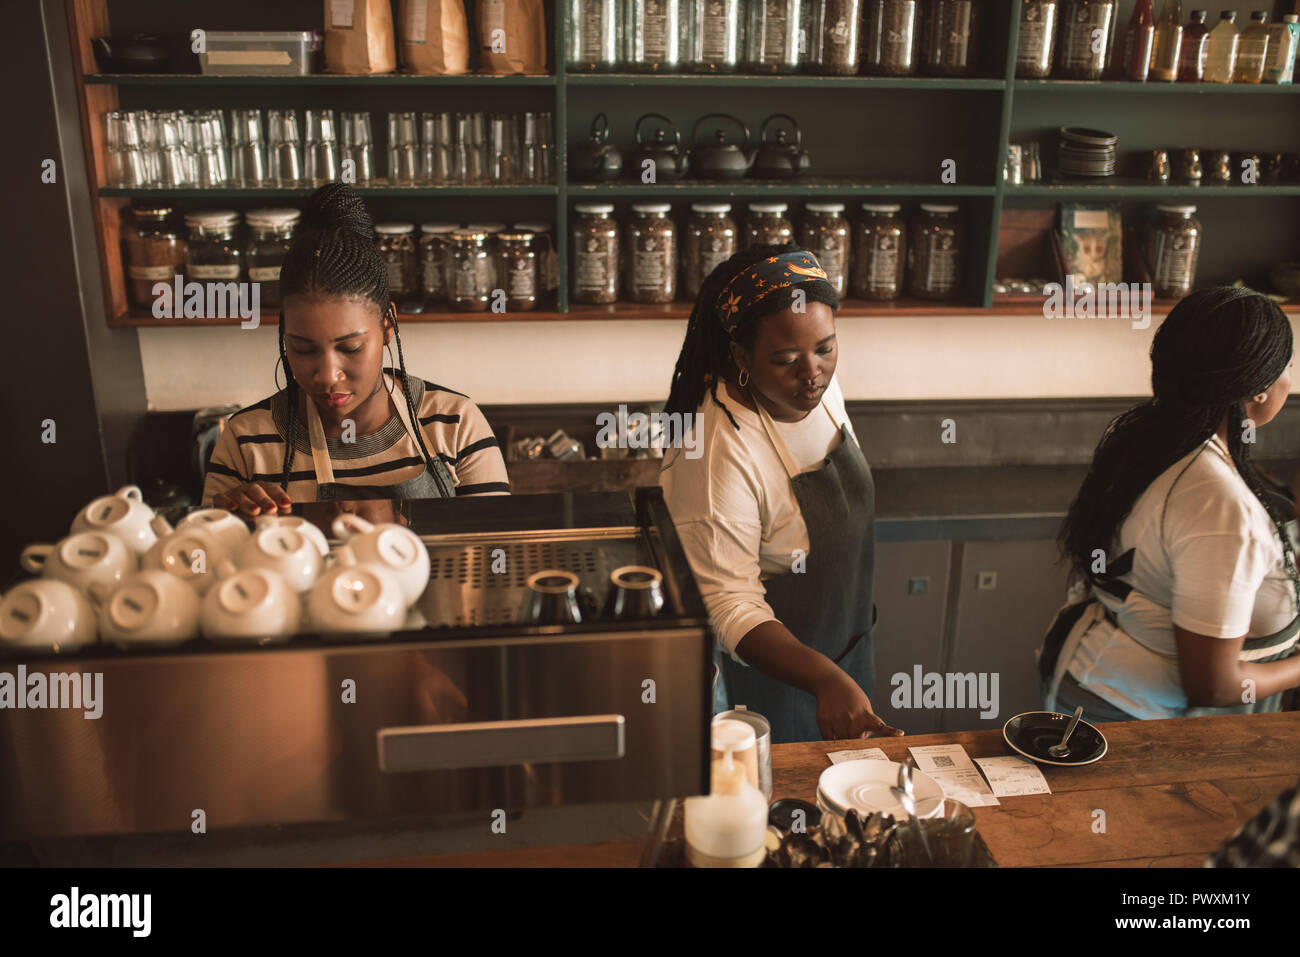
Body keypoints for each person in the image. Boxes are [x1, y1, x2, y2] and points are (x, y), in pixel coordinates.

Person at [660, 244, 901, 744]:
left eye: (826, 348)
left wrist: (839, 677)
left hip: (847, 657)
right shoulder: (716, 453)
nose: (812, 373)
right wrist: (823, 679)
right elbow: (729, 605)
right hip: (771, 688)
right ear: (742, 356)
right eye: (786, 359)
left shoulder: (814, 390)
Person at [1043, 286, 1300, 723]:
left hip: (1094, 677)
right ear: (1258, 388)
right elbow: (1213, 685)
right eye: (1288, 365)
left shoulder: (1154, 435)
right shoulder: (1221, 507)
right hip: (1135, 717)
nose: (1292, 378)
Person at [202, 183, 509, 511]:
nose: (328, 376)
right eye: (303, 350)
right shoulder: (246, 441)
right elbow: (203, 560)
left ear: (388, 325)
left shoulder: (454, 424)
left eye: (350, 348)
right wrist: (228, 526)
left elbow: (493, 556)